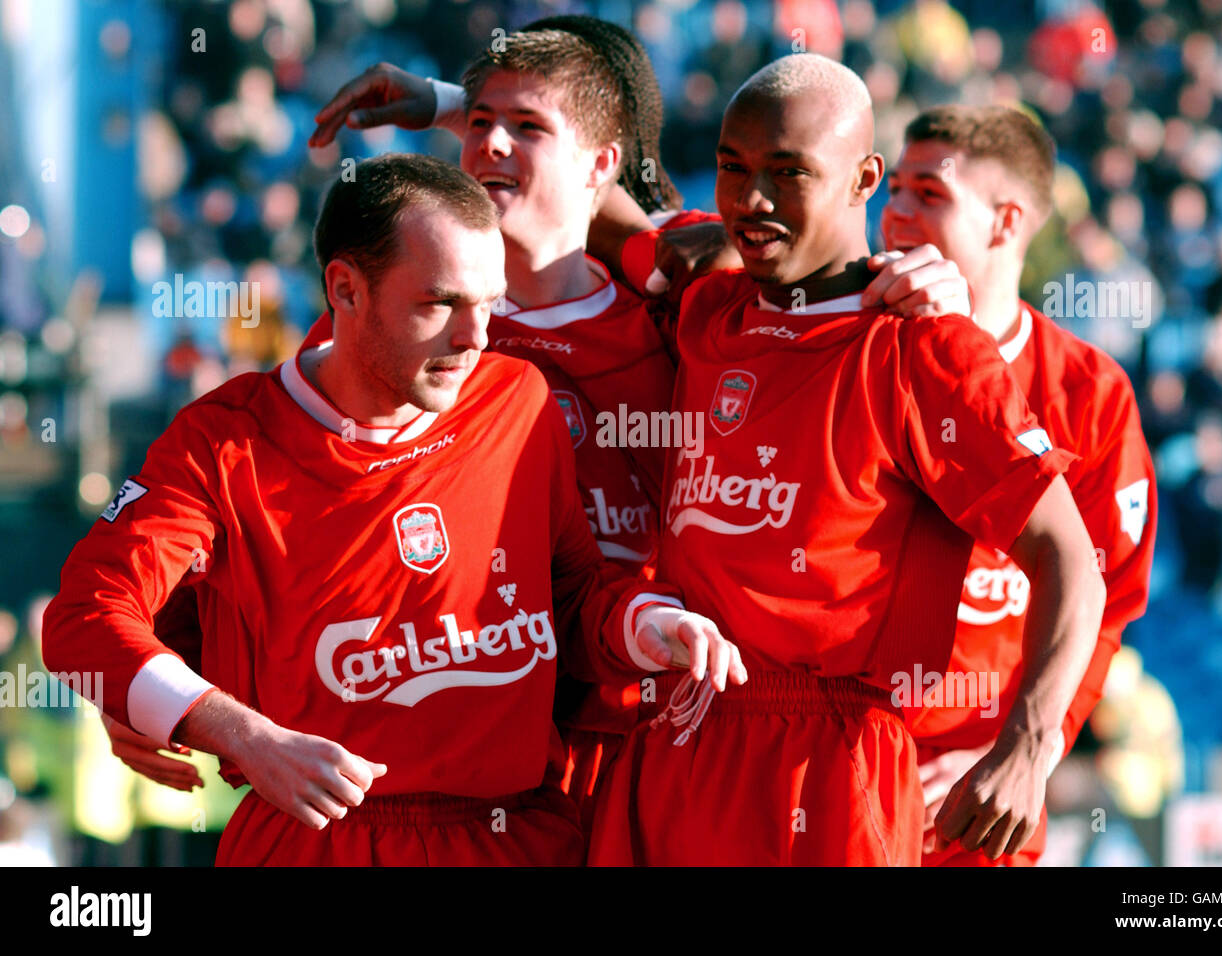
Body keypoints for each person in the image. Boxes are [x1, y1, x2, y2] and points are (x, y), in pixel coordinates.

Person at [42, 154, 746, 866]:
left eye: (489, 303)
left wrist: (646, 622)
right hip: (320, 844)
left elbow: (570, 596)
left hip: (518, 838)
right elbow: (86, 620)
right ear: (345, 290)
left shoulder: (517, 400)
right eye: (439, 303)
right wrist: (241, 734)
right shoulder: (224, 440)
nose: (476, 337)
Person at [586, 54, 1107, 866]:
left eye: (788, 173)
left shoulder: (924, 347)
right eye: (732, 167)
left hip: (830, 766)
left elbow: (1068, 553)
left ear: (866, 177)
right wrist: (451, 107)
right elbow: (575, 190)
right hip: (677, 743)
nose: (750, 200)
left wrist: (1029, 748)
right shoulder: (709, 302)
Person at [881, 104, 1157, 865]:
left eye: (928, 195)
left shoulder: (1091, 396)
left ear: (1006, 222)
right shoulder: (851, 345)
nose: (894, 213)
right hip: (837, 773)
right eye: (893, 188)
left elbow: (1108, 609)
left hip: (980, 804)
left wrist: (1025, 752)